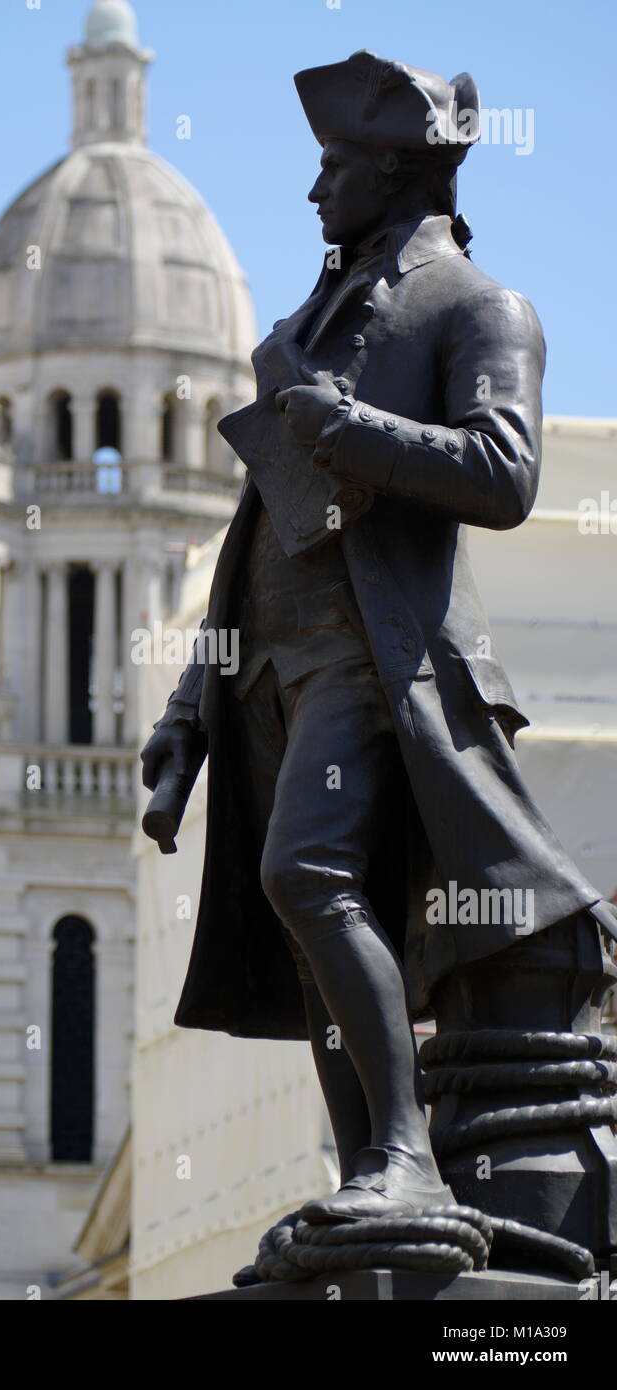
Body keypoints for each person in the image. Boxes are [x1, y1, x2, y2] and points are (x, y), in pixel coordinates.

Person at [140, 50, 617, 1222]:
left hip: (382, 655)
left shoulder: (479, 306)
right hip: (271, 672)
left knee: (304, 872)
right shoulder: (314, 321)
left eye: (334, 167)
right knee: (305, 921)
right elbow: (261, 525)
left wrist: (355, 429)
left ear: (396, 174)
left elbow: (505, 473)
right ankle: (369, 1169)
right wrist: (190, 709)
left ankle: (402, 1158)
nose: (314, 191)